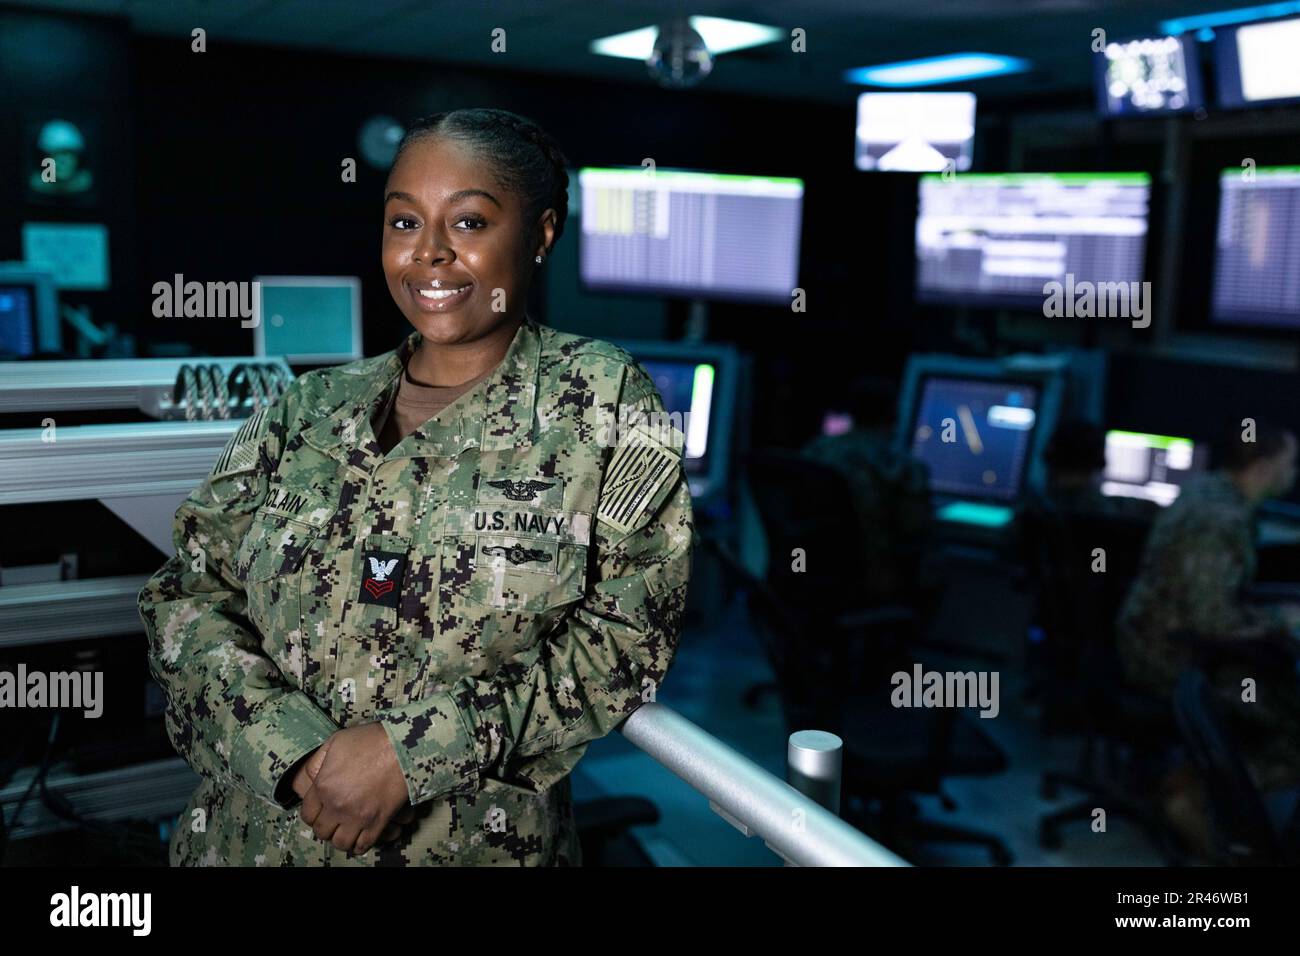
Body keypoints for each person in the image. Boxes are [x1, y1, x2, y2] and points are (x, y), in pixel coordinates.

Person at [138, 108, 694, 866]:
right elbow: (190, 596)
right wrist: (292, 754)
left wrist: (409, 754)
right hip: (246, 845)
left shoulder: (603, 403)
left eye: (468, 222)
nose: (429, 252)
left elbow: (627, 642)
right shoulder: (305, 408)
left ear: (541, 235)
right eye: (403, 223)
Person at [1117, 420, 1300, 846]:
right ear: (1265, 464)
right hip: (1174, 661)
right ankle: (1193, 795)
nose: (1295, 472)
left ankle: (1191, 777)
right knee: (1291, 713)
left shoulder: (1206, 490)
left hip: (1155, 640)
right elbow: (1211, 623)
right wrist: (1283, 625)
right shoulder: (1221, 520)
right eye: (1291, 462)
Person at [801, 376, 933, 608]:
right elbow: (915, 528)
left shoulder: (814, 452)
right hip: (870, 578)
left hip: (809, 569)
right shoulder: (901, 466)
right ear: (894, 415)